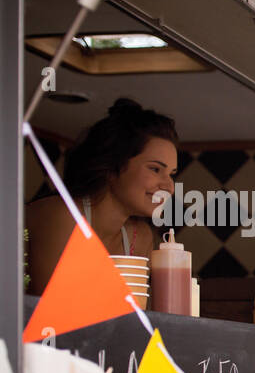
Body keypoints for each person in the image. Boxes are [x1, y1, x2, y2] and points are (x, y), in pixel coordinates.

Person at [25, 97, 178, 294]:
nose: (169, 186)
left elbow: (134, 315)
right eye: (155, 169)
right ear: (112, 166)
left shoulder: (139, 237)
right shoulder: (62, 216)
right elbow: (53, 315)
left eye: (172, 174)